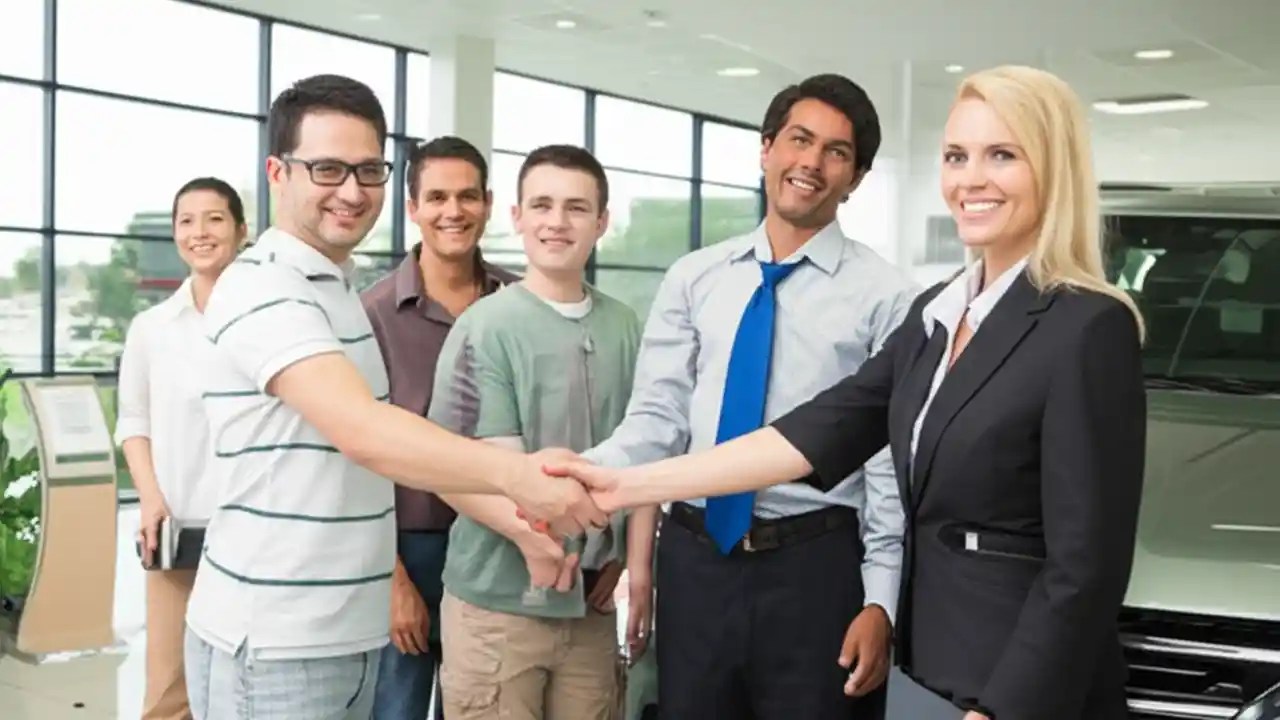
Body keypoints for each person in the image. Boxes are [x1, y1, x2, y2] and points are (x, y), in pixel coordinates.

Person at [559, 65, 1147, 720]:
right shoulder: (937, 316)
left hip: (1017, 692)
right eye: (956, 156)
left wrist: (996, 704)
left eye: (1001, 155)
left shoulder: (1088, 326)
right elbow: (811, 434)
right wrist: (617, 483)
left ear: (1053, 169)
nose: (970, 179)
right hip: (934, 678)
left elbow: (1084, 572)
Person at [181, 74, 604, 720]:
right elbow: (366, 433)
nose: (352, 191)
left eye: (368, 170)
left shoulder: (338, 291)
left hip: (347, 638)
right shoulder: (259, 286)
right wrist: (521, 478)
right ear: (277, 172)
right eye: (327, 169)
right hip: (273, 645)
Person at [578, 73, 918, 720]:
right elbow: (658, 418)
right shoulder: (694, 278)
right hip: (696, 561)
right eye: (799, 140)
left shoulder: (886, 298)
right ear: (766, 148)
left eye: (836, 153)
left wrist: (881, 601)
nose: (811, 163)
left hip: (815, 570)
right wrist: (589, 474)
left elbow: (884, 469)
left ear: (857, 177)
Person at [429, 144, 645, 720]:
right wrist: (535, 541)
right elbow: (450, 470)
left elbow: (649, 455)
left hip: (592, 613)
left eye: (577, 208)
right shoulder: (486, 328)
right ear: (517, 216)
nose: (557, 221)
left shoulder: (626, 325)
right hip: (497, 610)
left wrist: (631, 561)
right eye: (542, 205)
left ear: (601, 221)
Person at [361, 134, 519, 720]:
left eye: (467, 196)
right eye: (436, 198)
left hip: (504, 544)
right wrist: (391, 580)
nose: (453, 211)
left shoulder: (519, 302)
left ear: (488, 203)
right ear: (412, 209)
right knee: (397, 710)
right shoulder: (372, 315)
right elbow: (358, 458)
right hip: (412, 547)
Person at [115, 177, 248, 720]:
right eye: (187, 221)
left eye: (215, 219)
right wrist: (150, 501)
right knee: (170, 692)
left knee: (248, 687)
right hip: (178, 532)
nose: (200, 232)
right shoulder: (152, 328)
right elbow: (133, 421)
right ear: (174, 234)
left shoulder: (266, 322)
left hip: (255, 537)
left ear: (242, 231)